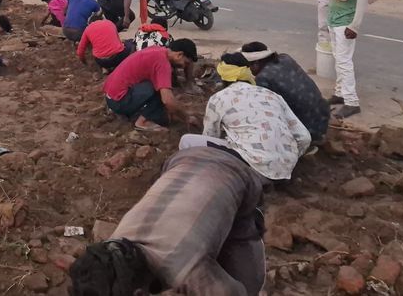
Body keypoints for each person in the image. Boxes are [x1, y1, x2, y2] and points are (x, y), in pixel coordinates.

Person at [69, 147, 265, 296]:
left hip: (239, 172)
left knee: (248, 283)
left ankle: (247, 223)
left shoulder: (183, 271)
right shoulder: (112, 251)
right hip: (183, 159)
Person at [180, 52, 311, 181]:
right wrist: (286, 159)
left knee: (187, 141)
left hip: (252, 167)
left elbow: (209, 137)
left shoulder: (218, 99)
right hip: (286, 170)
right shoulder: (272, 95)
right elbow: (304, 138)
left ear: (223, 76)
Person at [327, 0, 382, 119]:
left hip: (346, 23)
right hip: (335, 21)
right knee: (338, 60)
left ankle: (351, 102)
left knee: (344, 62)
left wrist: (355, 26)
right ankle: (340, 94)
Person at [240, 41, 330, 143]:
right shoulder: (285, 58)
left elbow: (267, 112)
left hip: (307, 129)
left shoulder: (263, 78)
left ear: (256, 64)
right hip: (323, 117)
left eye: (247, 66)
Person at [103, 39, 197, 132]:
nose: (184, 66)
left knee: (159, 85)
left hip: (110, 96)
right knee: (160, 89)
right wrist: (186, 118)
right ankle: (142, 122)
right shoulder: (163, 63)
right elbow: (168, 101)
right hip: (118, 102)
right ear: (179, 54)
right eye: (186, 63)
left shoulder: (157, 50)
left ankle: (129, 110)